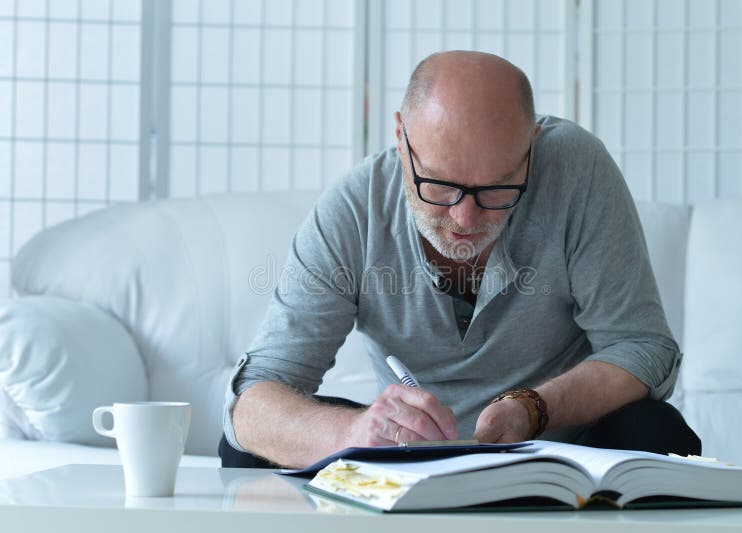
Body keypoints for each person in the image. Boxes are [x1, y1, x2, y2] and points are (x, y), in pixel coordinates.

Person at [219, 51, 700, 469]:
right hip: (410, 454)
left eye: (497, 188)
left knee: (658, 433)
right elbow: (252, 400)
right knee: (244, 449)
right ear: (401, 138)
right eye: (441, 186)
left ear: (531, 146)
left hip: (560, 445)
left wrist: (535, 408)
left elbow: (644, 348)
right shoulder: (355, 208)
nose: (465, 217)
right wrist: (353, 433)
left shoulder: (575, 170)